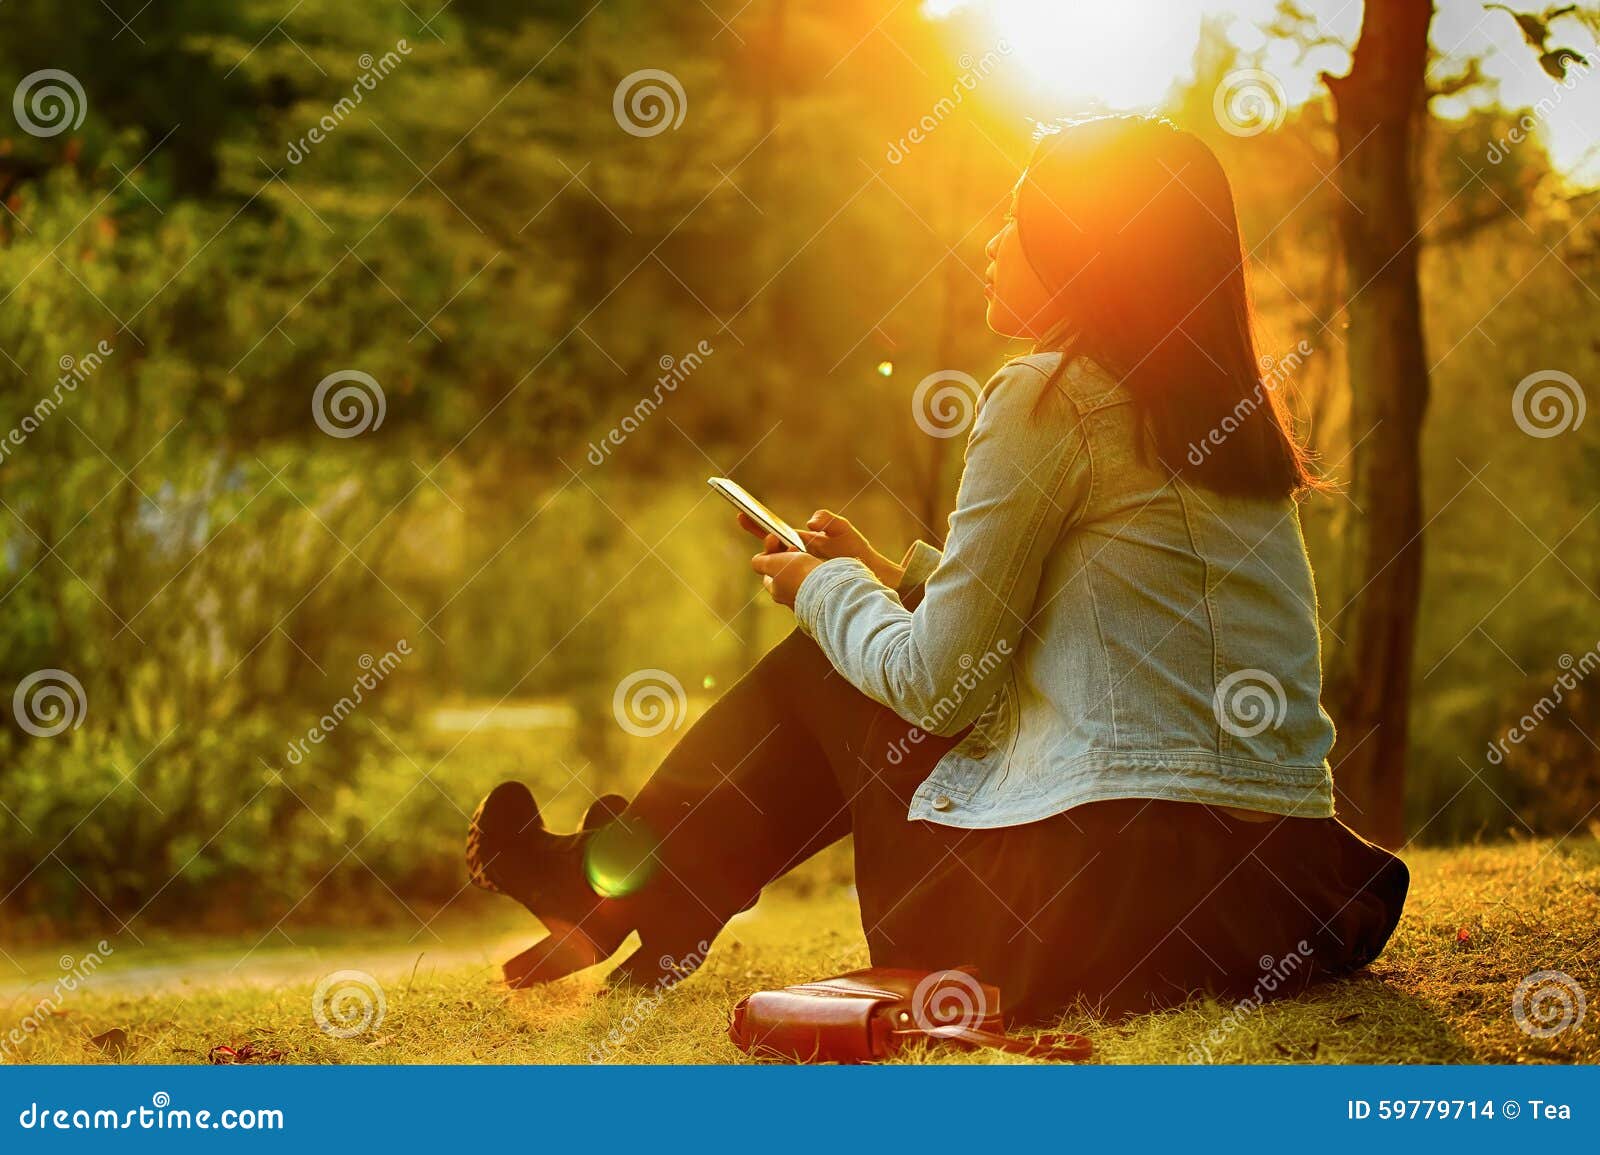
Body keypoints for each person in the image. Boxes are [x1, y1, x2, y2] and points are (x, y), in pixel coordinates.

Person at [466, 115, 1408, 1025]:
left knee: (825, 661)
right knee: (849, 641)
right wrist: (893, 574)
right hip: (1271, 894)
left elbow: (937, 684)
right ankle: (632, 886)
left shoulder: (1049, 396)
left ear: (1083, 246)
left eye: (1019, 216)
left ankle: (619, 885)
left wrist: (822, 590)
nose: (993, 239)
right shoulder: (1225, 416)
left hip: (1105, 914)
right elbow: (1093, 631)